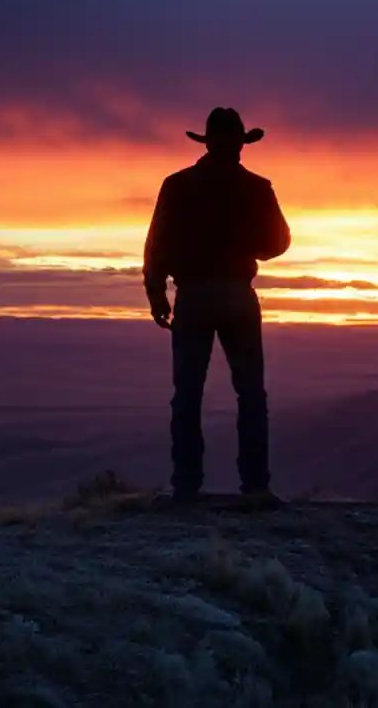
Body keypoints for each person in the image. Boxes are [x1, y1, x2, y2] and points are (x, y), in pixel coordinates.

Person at [142, 107, 291, 505]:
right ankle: (255, 487)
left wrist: (156, 293)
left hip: (192, 297)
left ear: (207, 143)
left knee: (188, 393)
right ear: (241, 145)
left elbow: (156, 244)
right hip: (238, 297)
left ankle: (186, 486)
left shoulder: (177, 185)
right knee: (251, 394)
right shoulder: (258, 188)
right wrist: (249, 246)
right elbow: (279, 243)